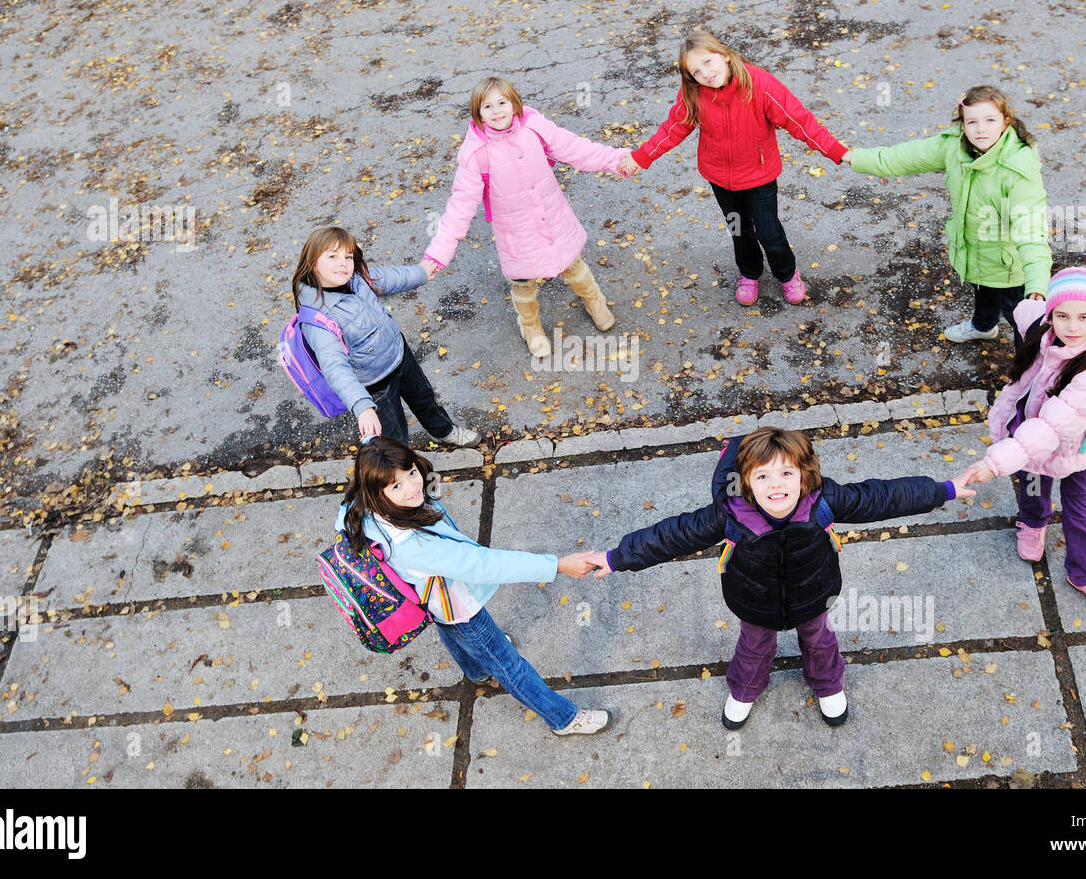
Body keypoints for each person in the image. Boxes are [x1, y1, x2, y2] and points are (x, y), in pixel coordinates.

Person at [589, 427, 977, 729]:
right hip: (754, 599)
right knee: (753, 645)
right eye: (763, 477)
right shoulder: (729, 515)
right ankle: (744, 689)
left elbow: (884, 497)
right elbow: (670, 536)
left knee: (820, 639)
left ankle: (828, 685)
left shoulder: (824, 502)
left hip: (814, 592)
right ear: (746, 483)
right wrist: (617, 558)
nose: (776, 485)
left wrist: (943, 490)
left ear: (804, 477)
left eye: (786, 473)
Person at [339, 436, 610, 735]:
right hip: (458, 605)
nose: (414, 487)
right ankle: (564, 719)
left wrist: (371, 440)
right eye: (396, 486)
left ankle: (476, 670)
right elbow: (486, 564)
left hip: (428, 599)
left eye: (412, 473)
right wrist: (558, 565)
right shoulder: (415, 546)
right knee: (510, 668)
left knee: (450, 631)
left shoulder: (358, 506)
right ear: (378, 491)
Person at [618, 30, 849, 307]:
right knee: (739, 229)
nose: (704, 74)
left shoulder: (759, 84)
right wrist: (641, 157)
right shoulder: (694, 94)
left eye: (707, 62)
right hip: (720, 177)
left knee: (769, 230)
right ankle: (749, 273)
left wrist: (838, 152)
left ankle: (787, 274)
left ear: (725, 56)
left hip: (759, 175)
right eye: (695, 71)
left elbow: (798, 121)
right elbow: (674, 128)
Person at [958, 267, 1086, 615]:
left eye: (1084, 317)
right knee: (1033, 486)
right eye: (1062, 316)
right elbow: (1027, 308)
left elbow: (1052, 426)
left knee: (1082, 513)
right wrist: (1035, 294)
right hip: (1030, 436)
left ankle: (1084, 574)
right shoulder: (1043, 328)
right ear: (1051, 315)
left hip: (1074, 450)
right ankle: (1034, 524)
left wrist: (994, 463)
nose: (1072, 327)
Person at [423, 77, 630, 359]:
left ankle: (594, 300)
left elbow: (576, 149)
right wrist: (437, 255)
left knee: (572, 264)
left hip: (552, 217)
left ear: (514, 103)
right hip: (516, 231)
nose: (497, 111)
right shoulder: (476, 155)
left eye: (502, 102)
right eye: (487, 106)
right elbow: (459, 206)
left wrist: (618, 160)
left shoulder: (535, 127)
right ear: (477, 113)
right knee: (523, 284)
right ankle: (531, 326)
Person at [844, 84, 1051, 342]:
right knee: (983, 292)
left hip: (1008, 268)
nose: (981, 129)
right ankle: (983, 326)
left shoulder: (1018, 169)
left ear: (1005, 121)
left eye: (989, 120)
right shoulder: (954, 146)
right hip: (977, 254)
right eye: (972, 121)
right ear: (962, 124)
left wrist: (1037, 287)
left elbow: (1031, 230)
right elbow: (905, 157)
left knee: (1024, 324)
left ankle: (1029, 373)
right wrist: (855, 157)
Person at [293, 226, 479, 446]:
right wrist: (362, 406)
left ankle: (443, 430)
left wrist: (420, 272)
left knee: (425, 399)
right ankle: (404, 468)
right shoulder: (318, 320)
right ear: (312, 262)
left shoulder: (355, 278)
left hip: (399, 355)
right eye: (332, 256)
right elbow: (335, 367)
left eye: (348, 256)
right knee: (394, 435)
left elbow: (387, 278)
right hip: (375, 384)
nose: (343, 262)